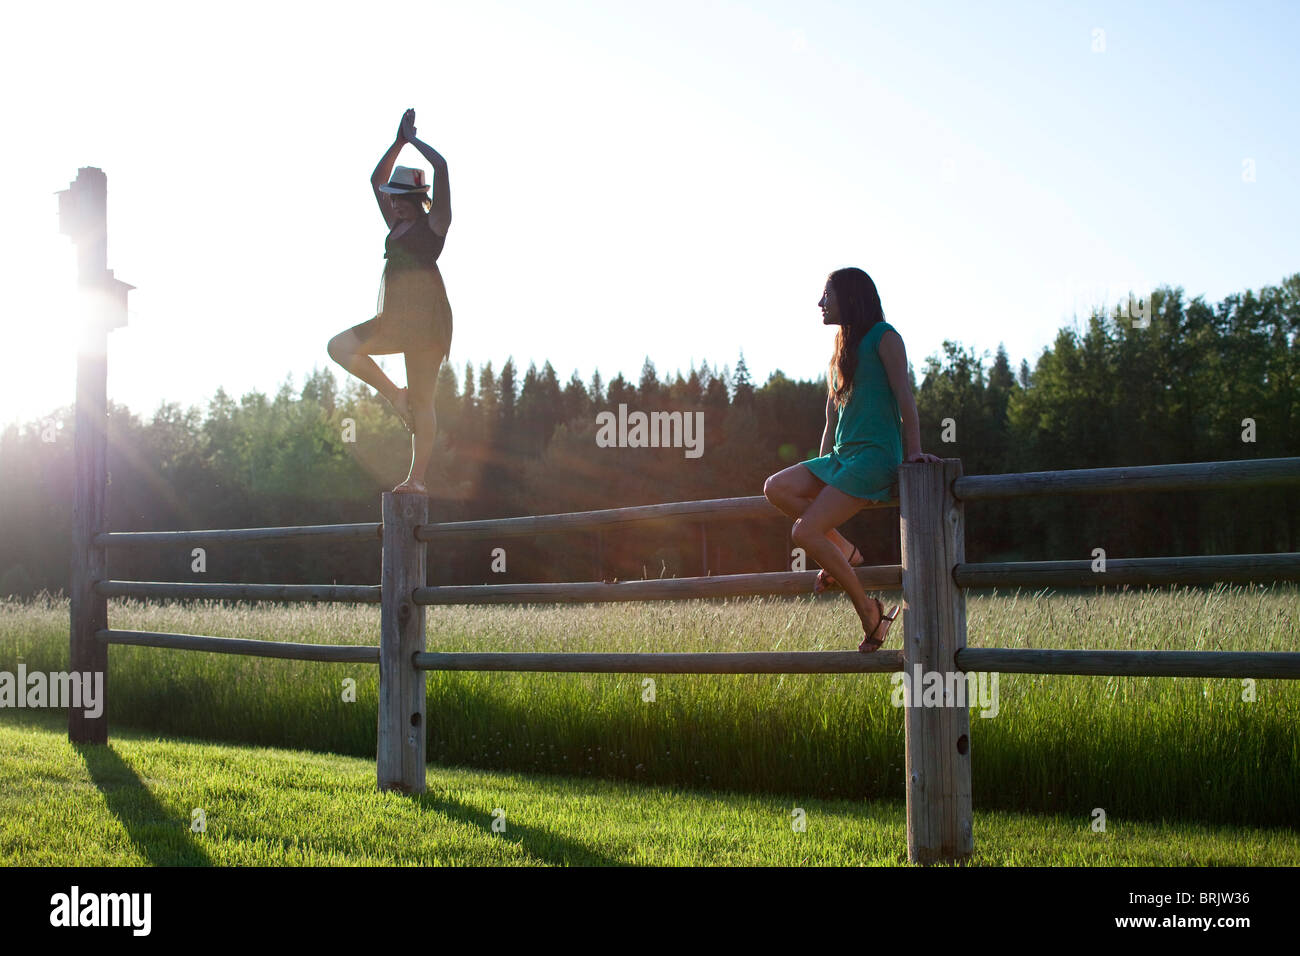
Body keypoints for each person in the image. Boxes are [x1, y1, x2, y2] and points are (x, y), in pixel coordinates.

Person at [763, 267, 941, 652]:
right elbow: (832, 417)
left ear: (850, 296)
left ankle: (870, 613)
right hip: (841, 458)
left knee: (804, 532)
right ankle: (844, 549)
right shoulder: (840, 348)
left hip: (874, 458)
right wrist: (824, 470)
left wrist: (913, 453)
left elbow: (904, 397)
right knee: (775, 487)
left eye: (827, 294)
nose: (820, 302)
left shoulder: (885, 337)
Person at [327, 108, 453, 495]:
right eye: (392, 198)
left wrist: (415, 142)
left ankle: (417, 479)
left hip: (427, 323)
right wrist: (398, 142)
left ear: (416, 198)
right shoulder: (396, 224)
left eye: (400, 198)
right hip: (394, 317)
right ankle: (394, 395)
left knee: (424, 400)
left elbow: (442, 166)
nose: (393, 202)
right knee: (340, 348)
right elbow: (375, 179)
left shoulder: (435, 225)